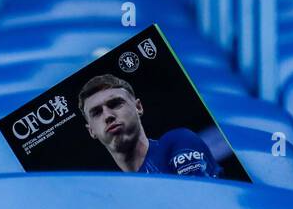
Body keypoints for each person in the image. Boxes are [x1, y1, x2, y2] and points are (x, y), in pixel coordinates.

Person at [77, 74, 222, 178]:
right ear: (91, 131)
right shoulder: (118, 193)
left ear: (138, 107)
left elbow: (200, 203)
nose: (108, 115)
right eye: (96, 112)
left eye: (115, 104)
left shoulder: (178, 142)